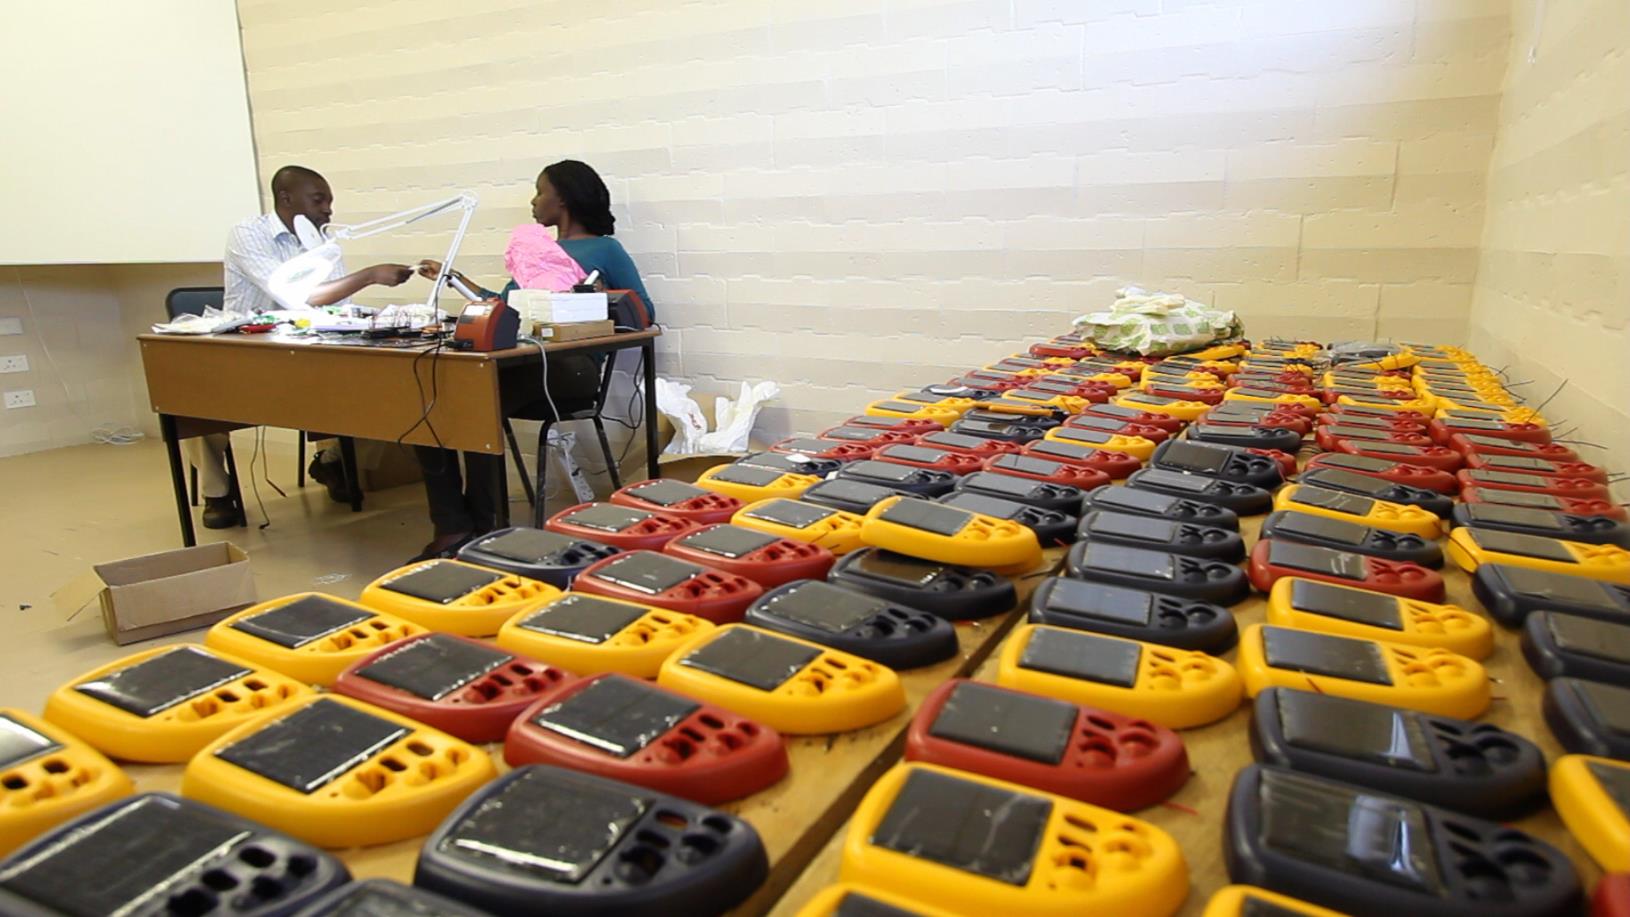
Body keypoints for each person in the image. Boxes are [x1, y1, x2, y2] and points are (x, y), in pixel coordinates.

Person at [407, 160, 655, 560]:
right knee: (435, 403)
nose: (533, 200)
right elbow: (504, 306)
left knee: (476, 404)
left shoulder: (605, 249)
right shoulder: (532, 251)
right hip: (523, 366)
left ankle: (481, 529)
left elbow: (644, 309)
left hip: (572, 370)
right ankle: (455, 526)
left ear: (563, 198)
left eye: (540, 191)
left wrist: (596, 296)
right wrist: (451, 277)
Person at [189, 166, 415, 529]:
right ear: (285, 198)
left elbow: (334, 306)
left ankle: (332, 461)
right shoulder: (249, 233)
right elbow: (296, 297)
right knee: (192, 397)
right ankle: (217, 491)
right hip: (247, 347)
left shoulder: (321, 241)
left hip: (304, 346)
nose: (328, 209)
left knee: (390, 384)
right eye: (318, 199)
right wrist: (370, 275)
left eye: (329, 201)